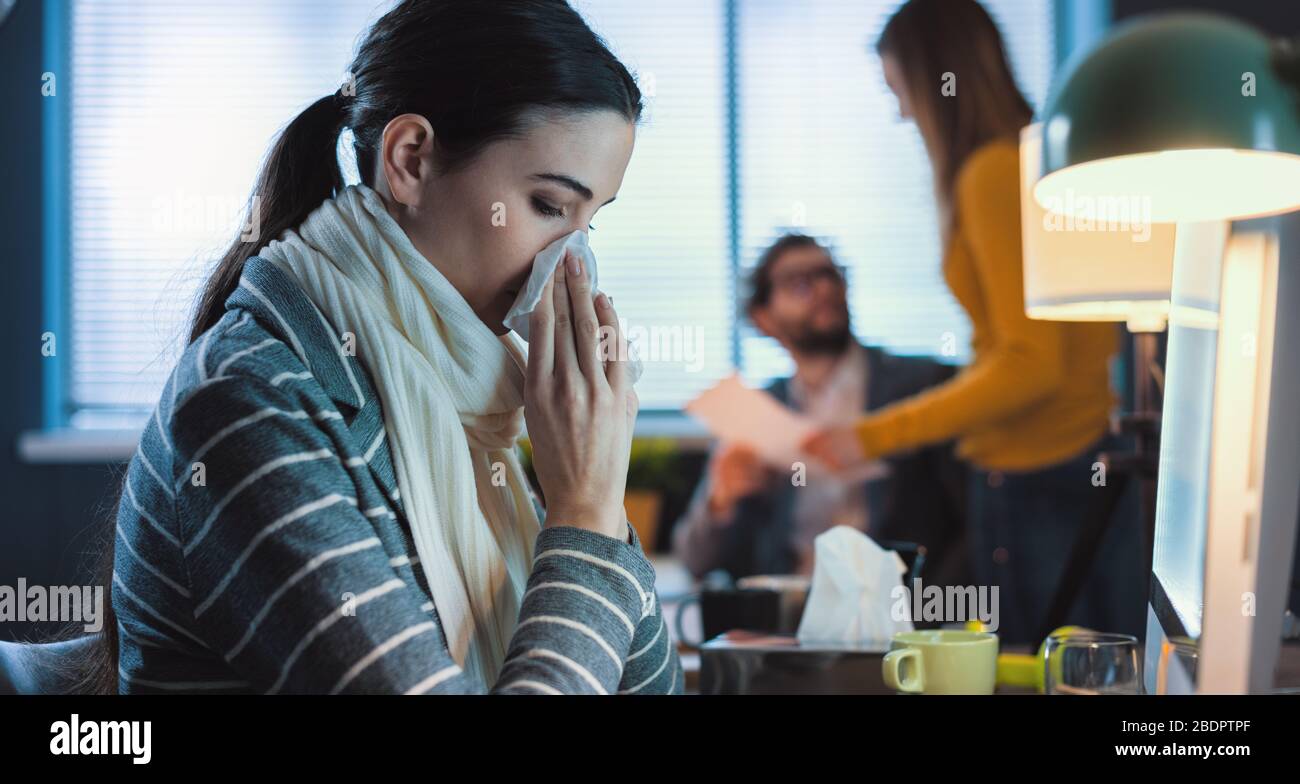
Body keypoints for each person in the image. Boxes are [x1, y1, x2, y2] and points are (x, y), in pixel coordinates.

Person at [97, 0, 681, 694]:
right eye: (549, 207)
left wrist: (596, 492)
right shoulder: (250, 406)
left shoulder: (483, 409)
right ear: (411, 160)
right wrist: (582, 520)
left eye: (591, 224)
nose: (570, 267)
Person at [803, 0, 1145, 645]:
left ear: (934, 77)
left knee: (1027, 668)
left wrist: (870, 435)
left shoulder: (991, 173)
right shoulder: (1037, 158)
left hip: (1037, 467)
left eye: (898, 89)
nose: (900, 111)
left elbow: (1027, 363)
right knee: (1099, 669)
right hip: (1078, 457)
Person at [673, 234, 968, 589]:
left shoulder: (923, 385)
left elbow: (977, 523)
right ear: (763, 317)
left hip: (900, 610)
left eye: (831, 274)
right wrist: (719, 502)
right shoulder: (756, 413)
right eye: (800, 282)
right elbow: (693, 559)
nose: (824, 288)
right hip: (790, 619)